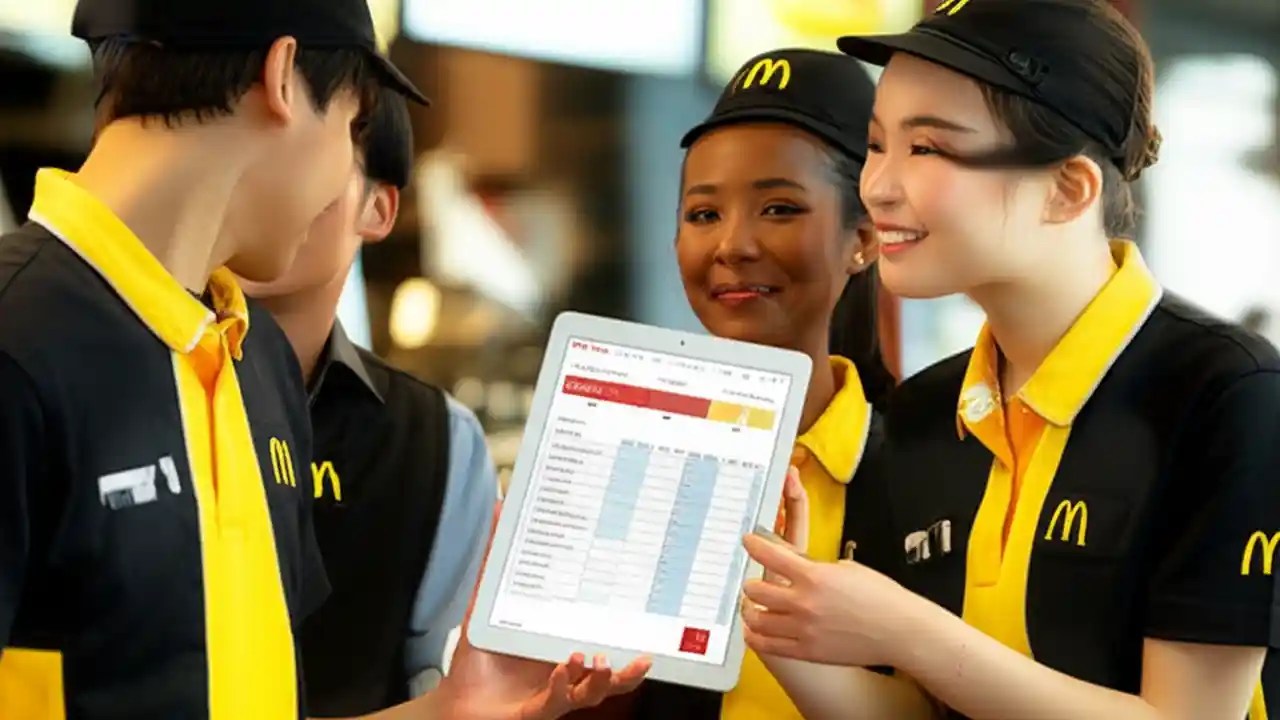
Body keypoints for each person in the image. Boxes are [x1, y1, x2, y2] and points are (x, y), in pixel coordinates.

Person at [0, 0, 647, 717]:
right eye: (347, 122)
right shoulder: (18, 341)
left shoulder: (254, 358)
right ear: (282, 78)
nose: (344, 165)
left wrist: (448, 708)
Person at [738, 1, 1280, 719]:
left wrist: (906, 628)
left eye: (926, 148)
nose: (877, 186)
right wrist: (777, 620)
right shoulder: (925, 411)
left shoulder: (1227, 394)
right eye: (876, 145)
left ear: (1067, 190)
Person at [604, 48, 893, 720]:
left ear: (864, 237)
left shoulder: (931, 464)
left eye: (779, 209)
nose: (732, 246)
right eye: (703, 215)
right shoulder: (632, 452)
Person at [236, 88, 498, 716]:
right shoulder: (138, 386)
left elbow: (437, 685)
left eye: (310, 157)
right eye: (252, 155)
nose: (273, 187)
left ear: (379, 208)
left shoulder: (437, 442)